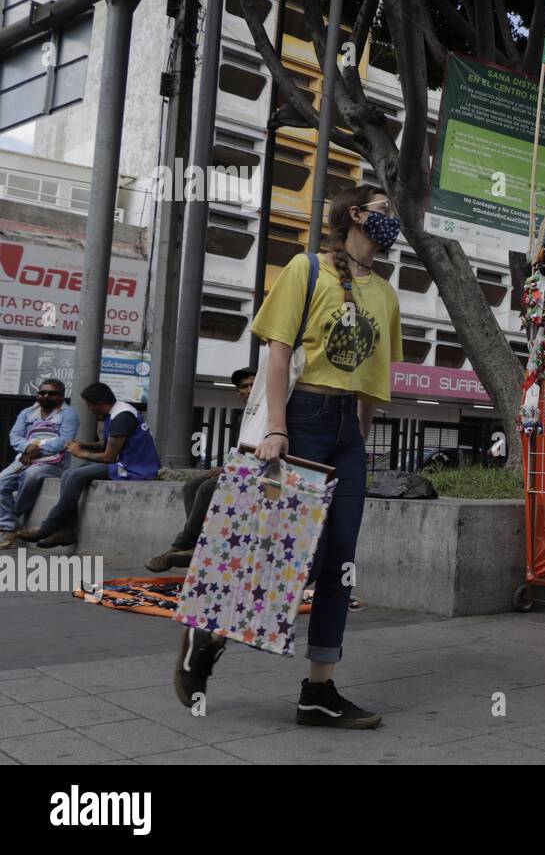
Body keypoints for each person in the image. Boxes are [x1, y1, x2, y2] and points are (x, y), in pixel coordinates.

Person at [174, 184, 402, 730]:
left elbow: (373, 380)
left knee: (338, 562)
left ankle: (318, 691)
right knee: (270, 550)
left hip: (347, 431)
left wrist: (360, 435)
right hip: (301, 420)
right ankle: (206, 636)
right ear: (354, 215)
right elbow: (277, 355)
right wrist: (276, 428)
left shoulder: (387, 294)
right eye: (384, 213)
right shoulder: (306, 270)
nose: (393, 223)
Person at [17, 383, 160, 548]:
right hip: (123, 462)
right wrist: (82, 444)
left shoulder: (122, 417)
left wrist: (80, 453)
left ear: (98, 403)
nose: (89, 408)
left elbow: (108, 457)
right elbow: (106, 445)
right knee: (69, 474)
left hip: (134, 468)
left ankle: (49, 526)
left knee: (76, 475)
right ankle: (67, 531)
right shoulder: (116, 411)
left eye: (89, 404)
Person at [145, 368, 256, 572]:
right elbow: (242, 451)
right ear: (237, 392)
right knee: (190, 487)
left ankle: (182, 545)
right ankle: (196, 540)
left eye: (253, 385)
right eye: (243, 386)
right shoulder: (244, 417)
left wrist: (230, 468)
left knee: (206, 488)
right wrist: (226, 466)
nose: (249, 390)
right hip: (240, 467)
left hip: (257, 473)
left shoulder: (264, 411)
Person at [0, 380, 80, 549]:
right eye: (42, 393)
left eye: (51, 394)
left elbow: (64, 441)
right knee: (2, 481)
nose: (45, 396)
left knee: (31, 476)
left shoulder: (69, 414)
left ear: (61, 395)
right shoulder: (27, 412)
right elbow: (15, 436)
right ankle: (9, 525)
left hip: (54, 462)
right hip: (25, 458)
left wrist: (36, 449)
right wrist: (27, 448)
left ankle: (15, 516)